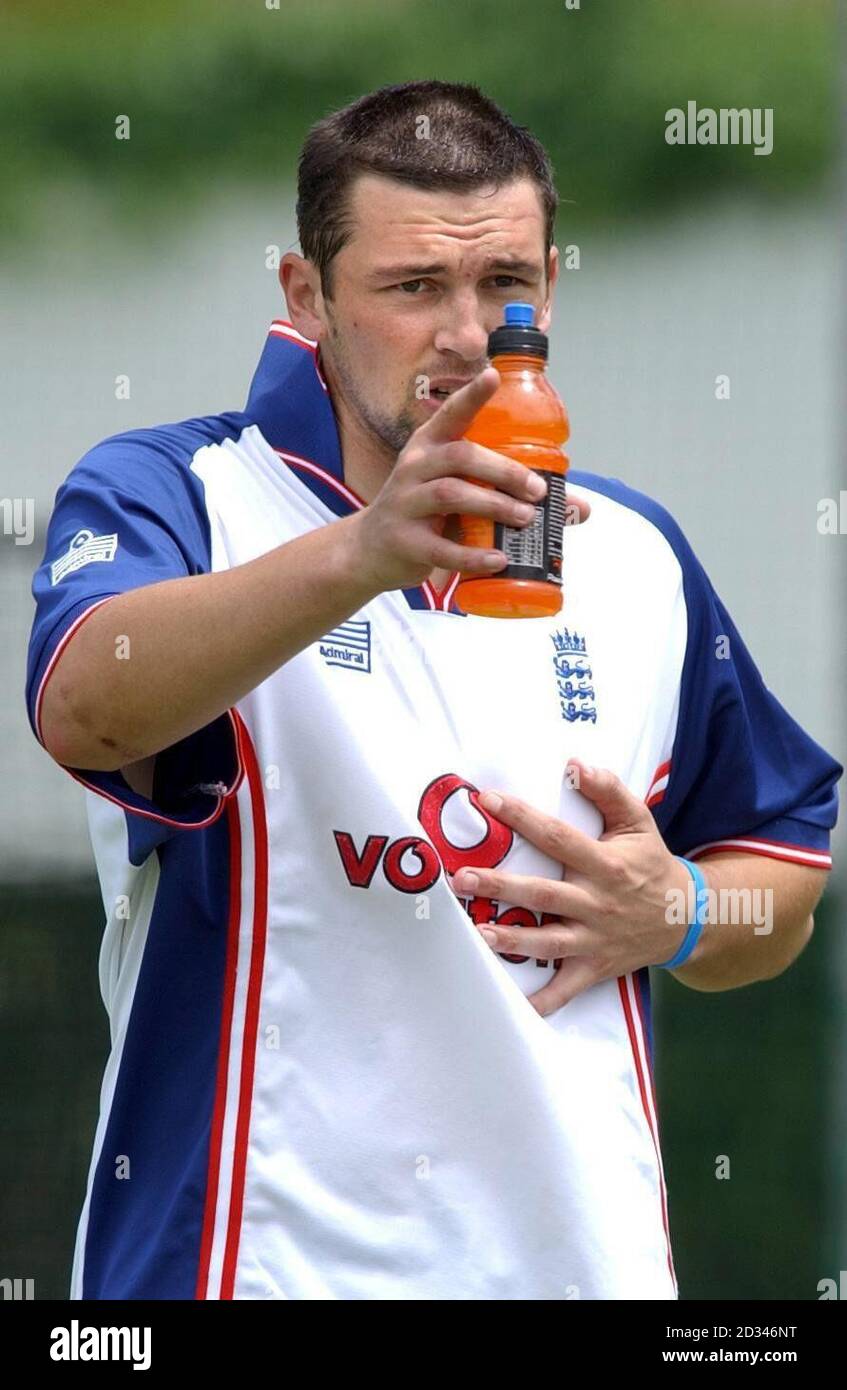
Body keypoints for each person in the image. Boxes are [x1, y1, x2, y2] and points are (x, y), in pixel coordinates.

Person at [26, 80, 841, 1301]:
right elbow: (85, 704)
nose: (468, 333)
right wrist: (365, 551)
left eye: (505, 283)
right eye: (413, 288)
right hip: (253, 1276)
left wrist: (675, 912)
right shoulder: (182, 492)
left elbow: (778, 894)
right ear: (307, 298)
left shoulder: (633, 552)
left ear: (550, 287)